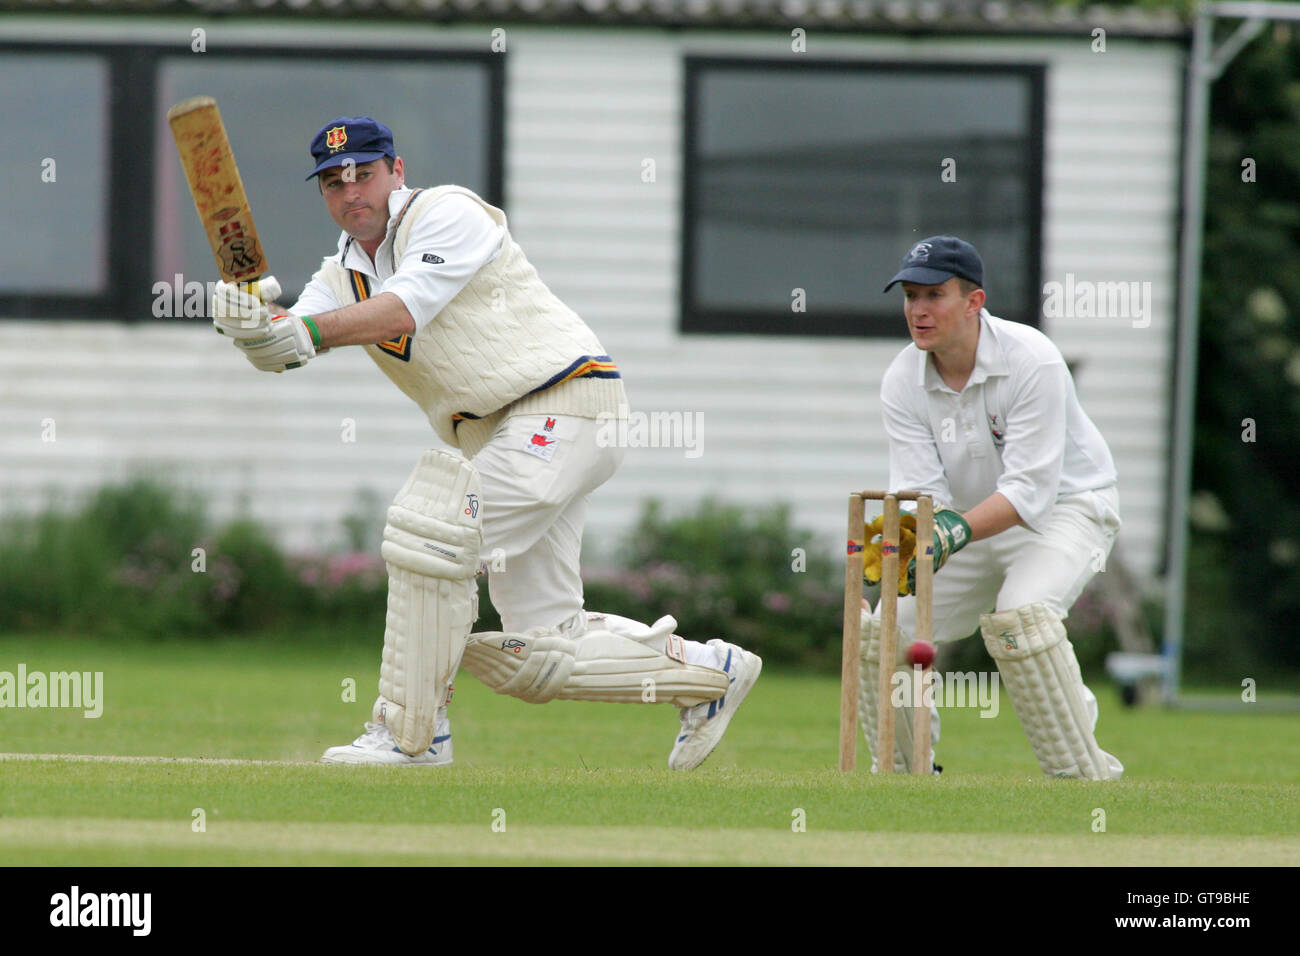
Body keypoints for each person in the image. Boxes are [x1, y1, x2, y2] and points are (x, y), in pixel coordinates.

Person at [209, 116, 760, 769]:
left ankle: (412, 736)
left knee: (434, 539)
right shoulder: (343, 272)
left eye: (364, 173)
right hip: (507, 435)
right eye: (333, 181)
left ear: (397, 172)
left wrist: (301, 333)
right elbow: (291, 342)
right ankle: (710, 673)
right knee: (543, 650)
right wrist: (251, 326)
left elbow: (402, 308)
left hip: (564, 402)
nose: (350, 190)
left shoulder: (447, 214)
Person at [859, 235, 1123, 779]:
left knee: (1020, 619)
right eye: (910, 296)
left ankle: (1083, 776)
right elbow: (919, 490)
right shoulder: (902, 378)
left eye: (933, 295)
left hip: (1067, 510)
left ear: (974, 302)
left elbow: (1029, 492)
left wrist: (949, 533)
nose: (918, 310)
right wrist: (907, 538)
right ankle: (907, 774)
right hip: (968, 521)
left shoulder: (1034, 361)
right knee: (885, 632)